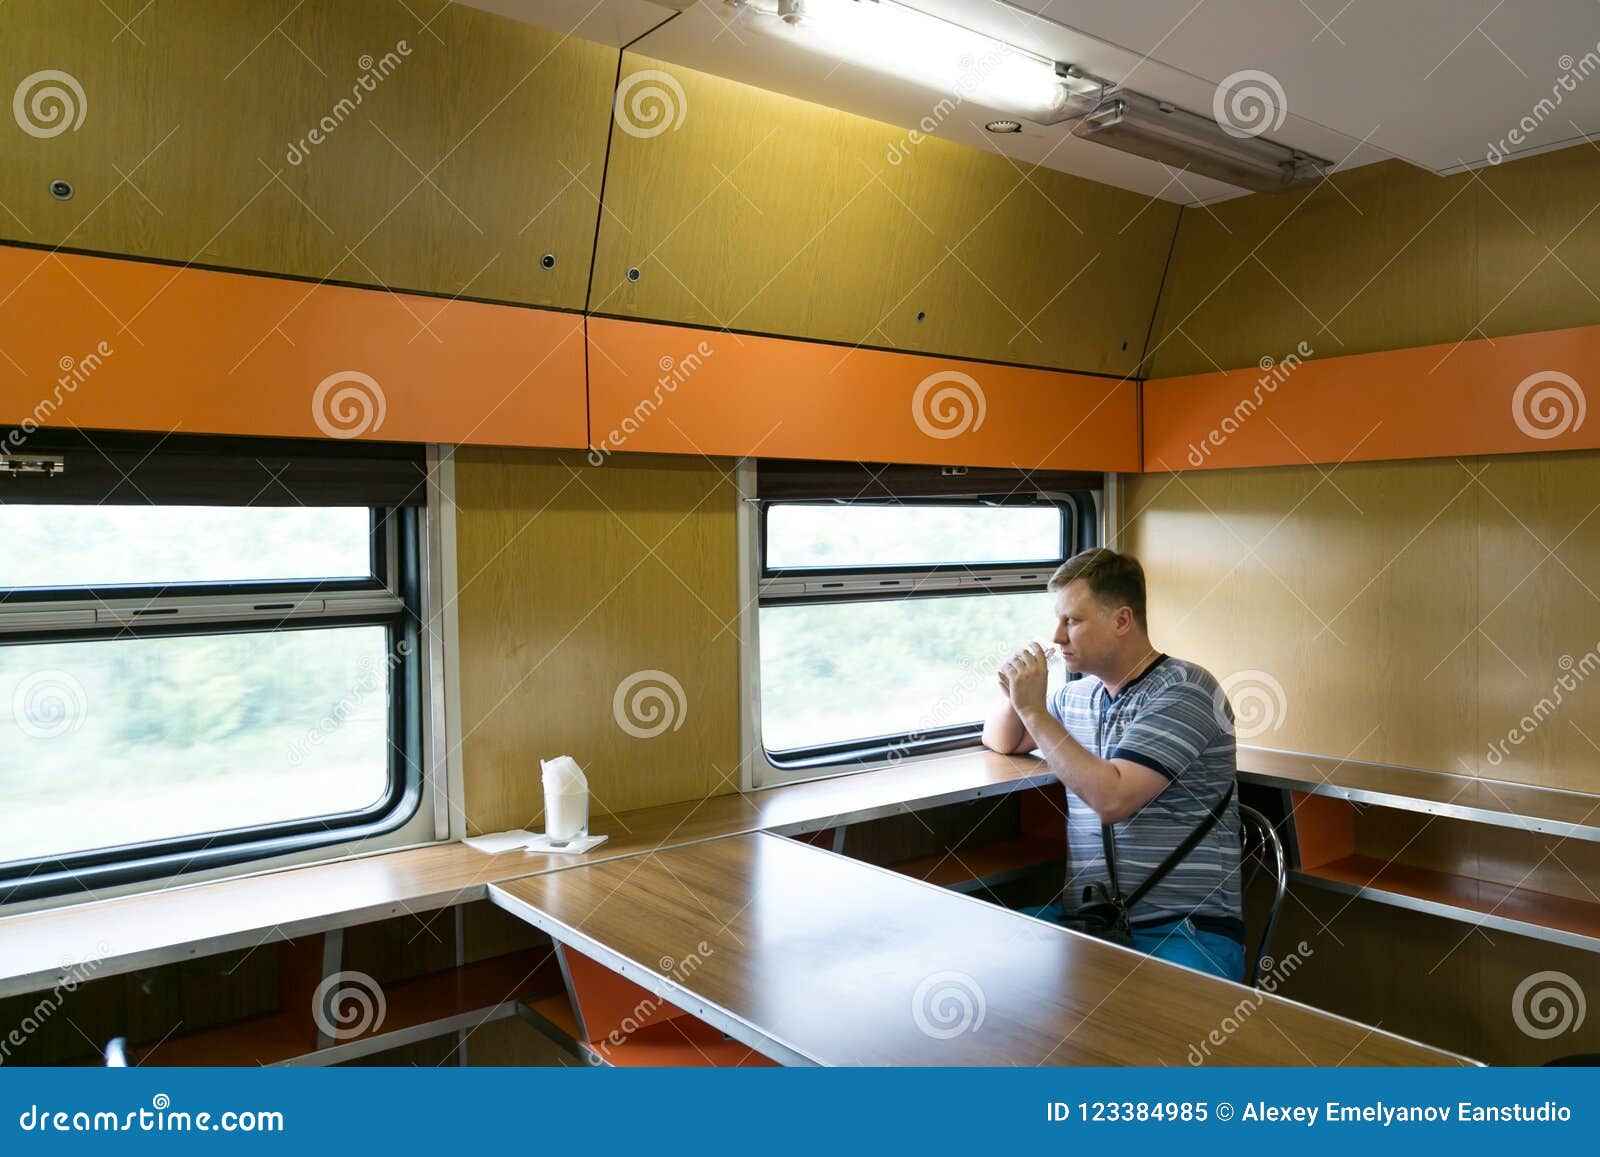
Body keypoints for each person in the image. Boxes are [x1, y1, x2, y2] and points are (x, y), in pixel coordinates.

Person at [981, 547, 1243, 980]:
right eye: (1057, 620)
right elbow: (1002, 740)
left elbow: (1113, 798)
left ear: (1122, 620)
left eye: (1072, 621)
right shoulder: (1078, 696)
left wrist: (1035, 712)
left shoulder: (1188, 691)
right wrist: (1016, 694)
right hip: (1092, 922)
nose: (1057, 637)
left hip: (1185, 930)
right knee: (988, 966)